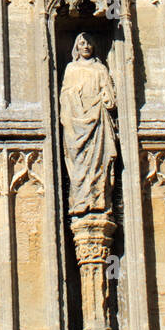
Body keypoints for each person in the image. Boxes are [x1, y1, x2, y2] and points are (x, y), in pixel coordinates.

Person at [59, 33, 118, 217]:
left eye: (89, 43)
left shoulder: (100, 69)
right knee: (78, 168)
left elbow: (110, 98)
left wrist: (104, 99)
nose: (86, 46)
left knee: (99, 165)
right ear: (77, 47)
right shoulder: (71, 69)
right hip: (76, 125)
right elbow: (64, 95)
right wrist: (72, 98)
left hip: (97, 121)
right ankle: (80, 202)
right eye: (82, 43)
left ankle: (99, 200)